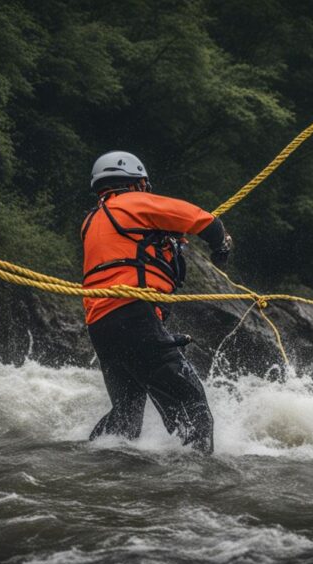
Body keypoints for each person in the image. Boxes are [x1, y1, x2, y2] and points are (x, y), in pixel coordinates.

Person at [81, 151, 233, 454]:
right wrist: (222, 244)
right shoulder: (136, 202)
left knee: (126, 416)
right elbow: (203, 220)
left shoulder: (92, 220)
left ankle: (92, 463)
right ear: (137, 182)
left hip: (101, 326)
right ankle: (193, 482)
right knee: (192, 407)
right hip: (133, 317)